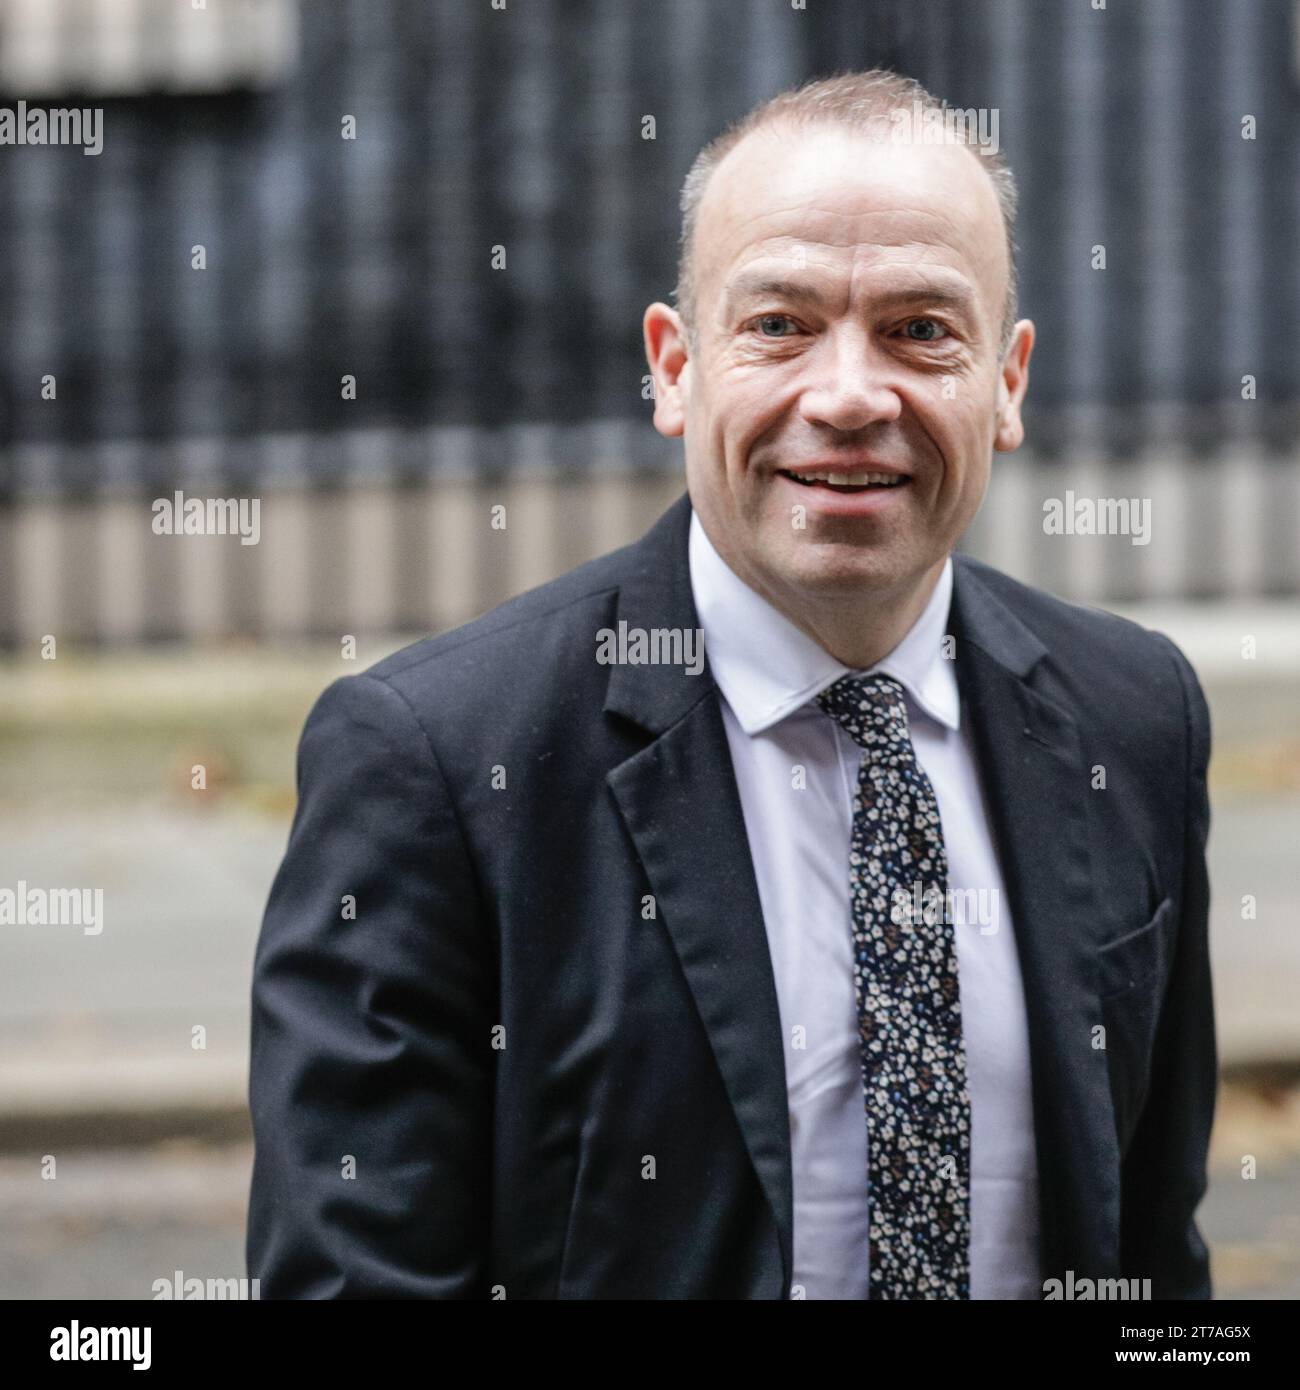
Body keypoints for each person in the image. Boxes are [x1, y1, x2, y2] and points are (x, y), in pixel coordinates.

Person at [246, 69, 1216, 1299]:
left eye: (922, 329)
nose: (852, 395)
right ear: (673, 368)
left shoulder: (1133, 718)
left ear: (1007, 382)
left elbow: (1154, 1260)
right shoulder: (437, 764)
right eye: (779, 325)